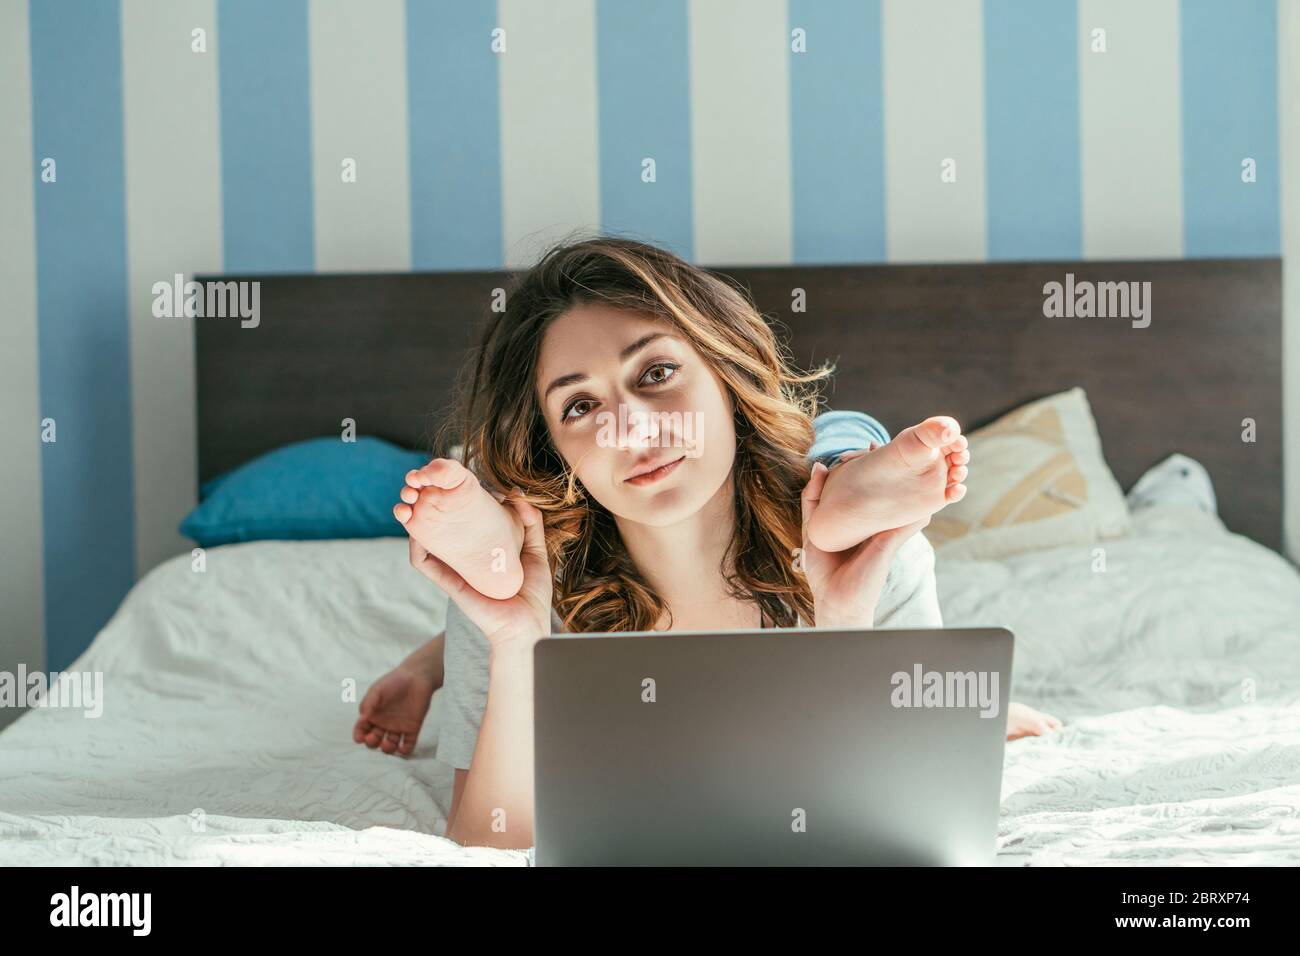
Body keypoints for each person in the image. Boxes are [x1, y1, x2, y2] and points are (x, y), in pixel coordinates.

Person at [353, 236, 1060, 849]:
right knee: (509, 557)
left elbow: (903, 826)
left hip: (807, 491)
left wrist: (843, 624)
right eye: (581, 405)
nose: (631, 428)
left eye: (656, 373)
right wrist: (510, 642)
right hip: (542, 560)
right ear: (556, 451)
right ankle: (457, 597)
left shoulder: (881, 551)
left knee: (833, 460)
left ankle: (840, 479)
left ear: (725, 370)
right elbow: (489, 840)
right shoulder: (506, 585)